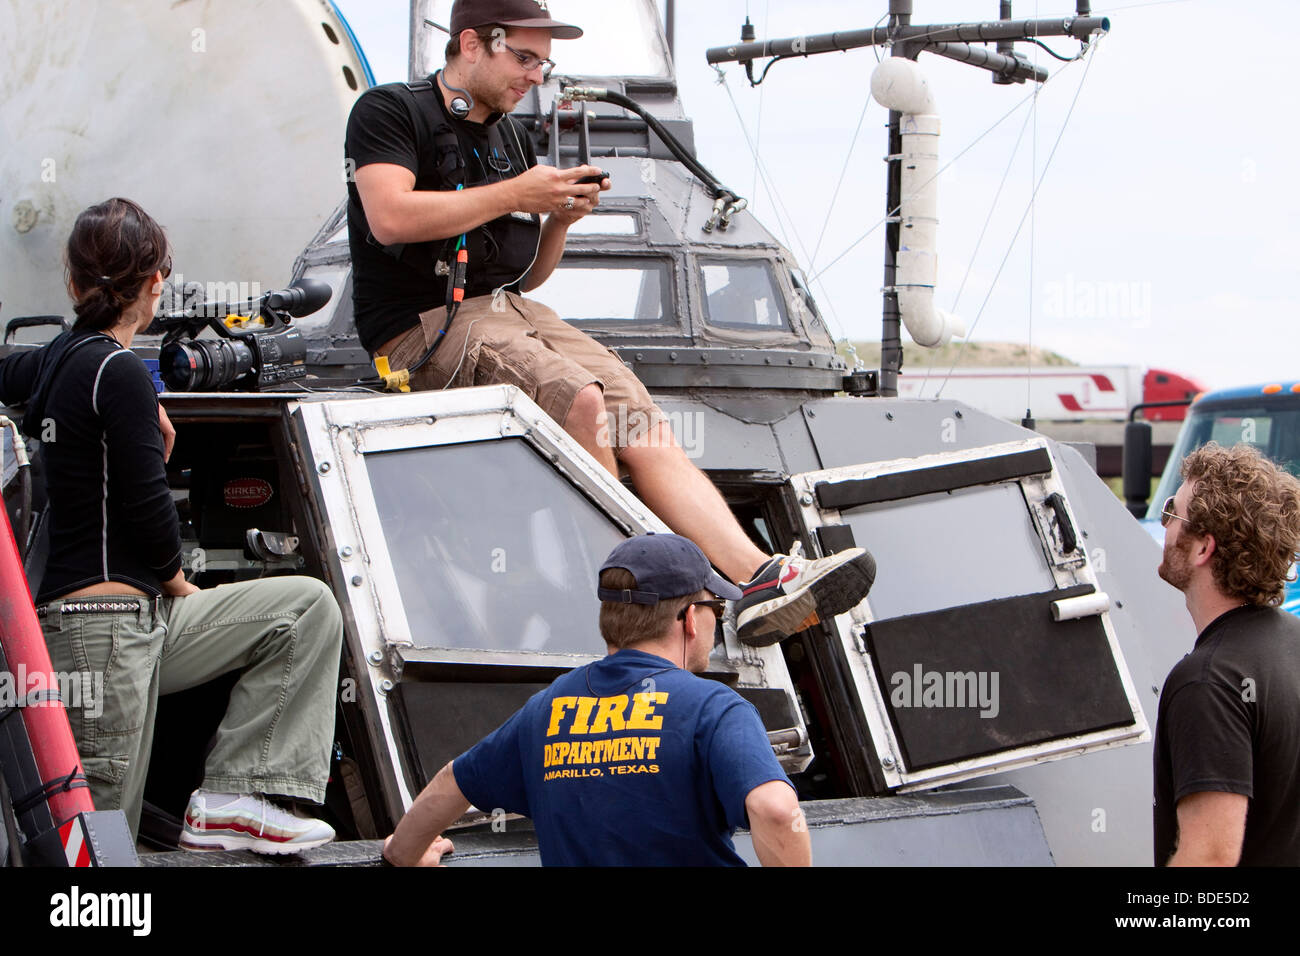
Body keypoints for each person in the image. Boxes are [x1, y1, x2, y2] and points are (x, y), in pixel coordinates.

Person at [344, 0, 875, 647]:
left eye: (544, 62)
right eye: (526, 57)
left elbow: (527, 278)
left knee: (634, 413)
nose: (536, 75)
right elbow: (390, 218)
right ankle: (646, 595)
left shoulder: (508, 136)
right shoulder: (389, 112)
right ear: (472, 44)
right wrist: (519, 195)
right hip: (418, 330)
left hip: (509, 311)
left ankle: (761, 580)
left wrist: (559, 219)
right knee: (584, 403)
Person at [0, 198, 343, 854]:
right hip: (104, 635)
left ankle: (226, 799)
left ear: (72, 285)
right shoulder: (119, 373)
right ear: (157, 282)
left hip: (124, 626)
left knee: (304, 609)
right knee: (96, 849)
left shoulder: (57, 362)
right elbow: (147, 506)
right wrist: (180, 583)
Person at [382, 533, 813, 866]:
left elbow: (451, 783)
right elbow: (776, 810)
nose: (717, 621)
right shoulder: (715, 708)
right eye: (714, 607)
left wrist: (405, 853)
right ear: (688, 619)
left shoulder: (544, 710)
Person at [1152, 442, 1300, 866]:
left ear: (1203, 548)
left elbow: (1210, 858)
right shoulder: (1293, 642)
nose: (1164, 524)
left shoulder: (1208, 682)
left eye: (1172, 513)